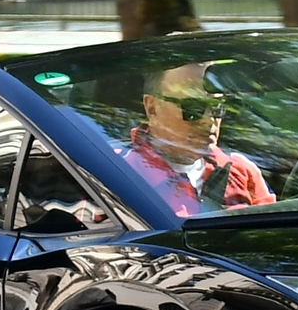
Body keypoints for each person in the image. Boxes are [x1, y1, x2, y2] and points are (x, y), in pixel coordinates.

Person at [116, 62, 276, 215]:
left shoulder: (242, 171)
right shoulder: (113, 174)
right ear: (152, 109)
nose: (208, 120)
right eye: (193, 107)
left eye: (217, 106)